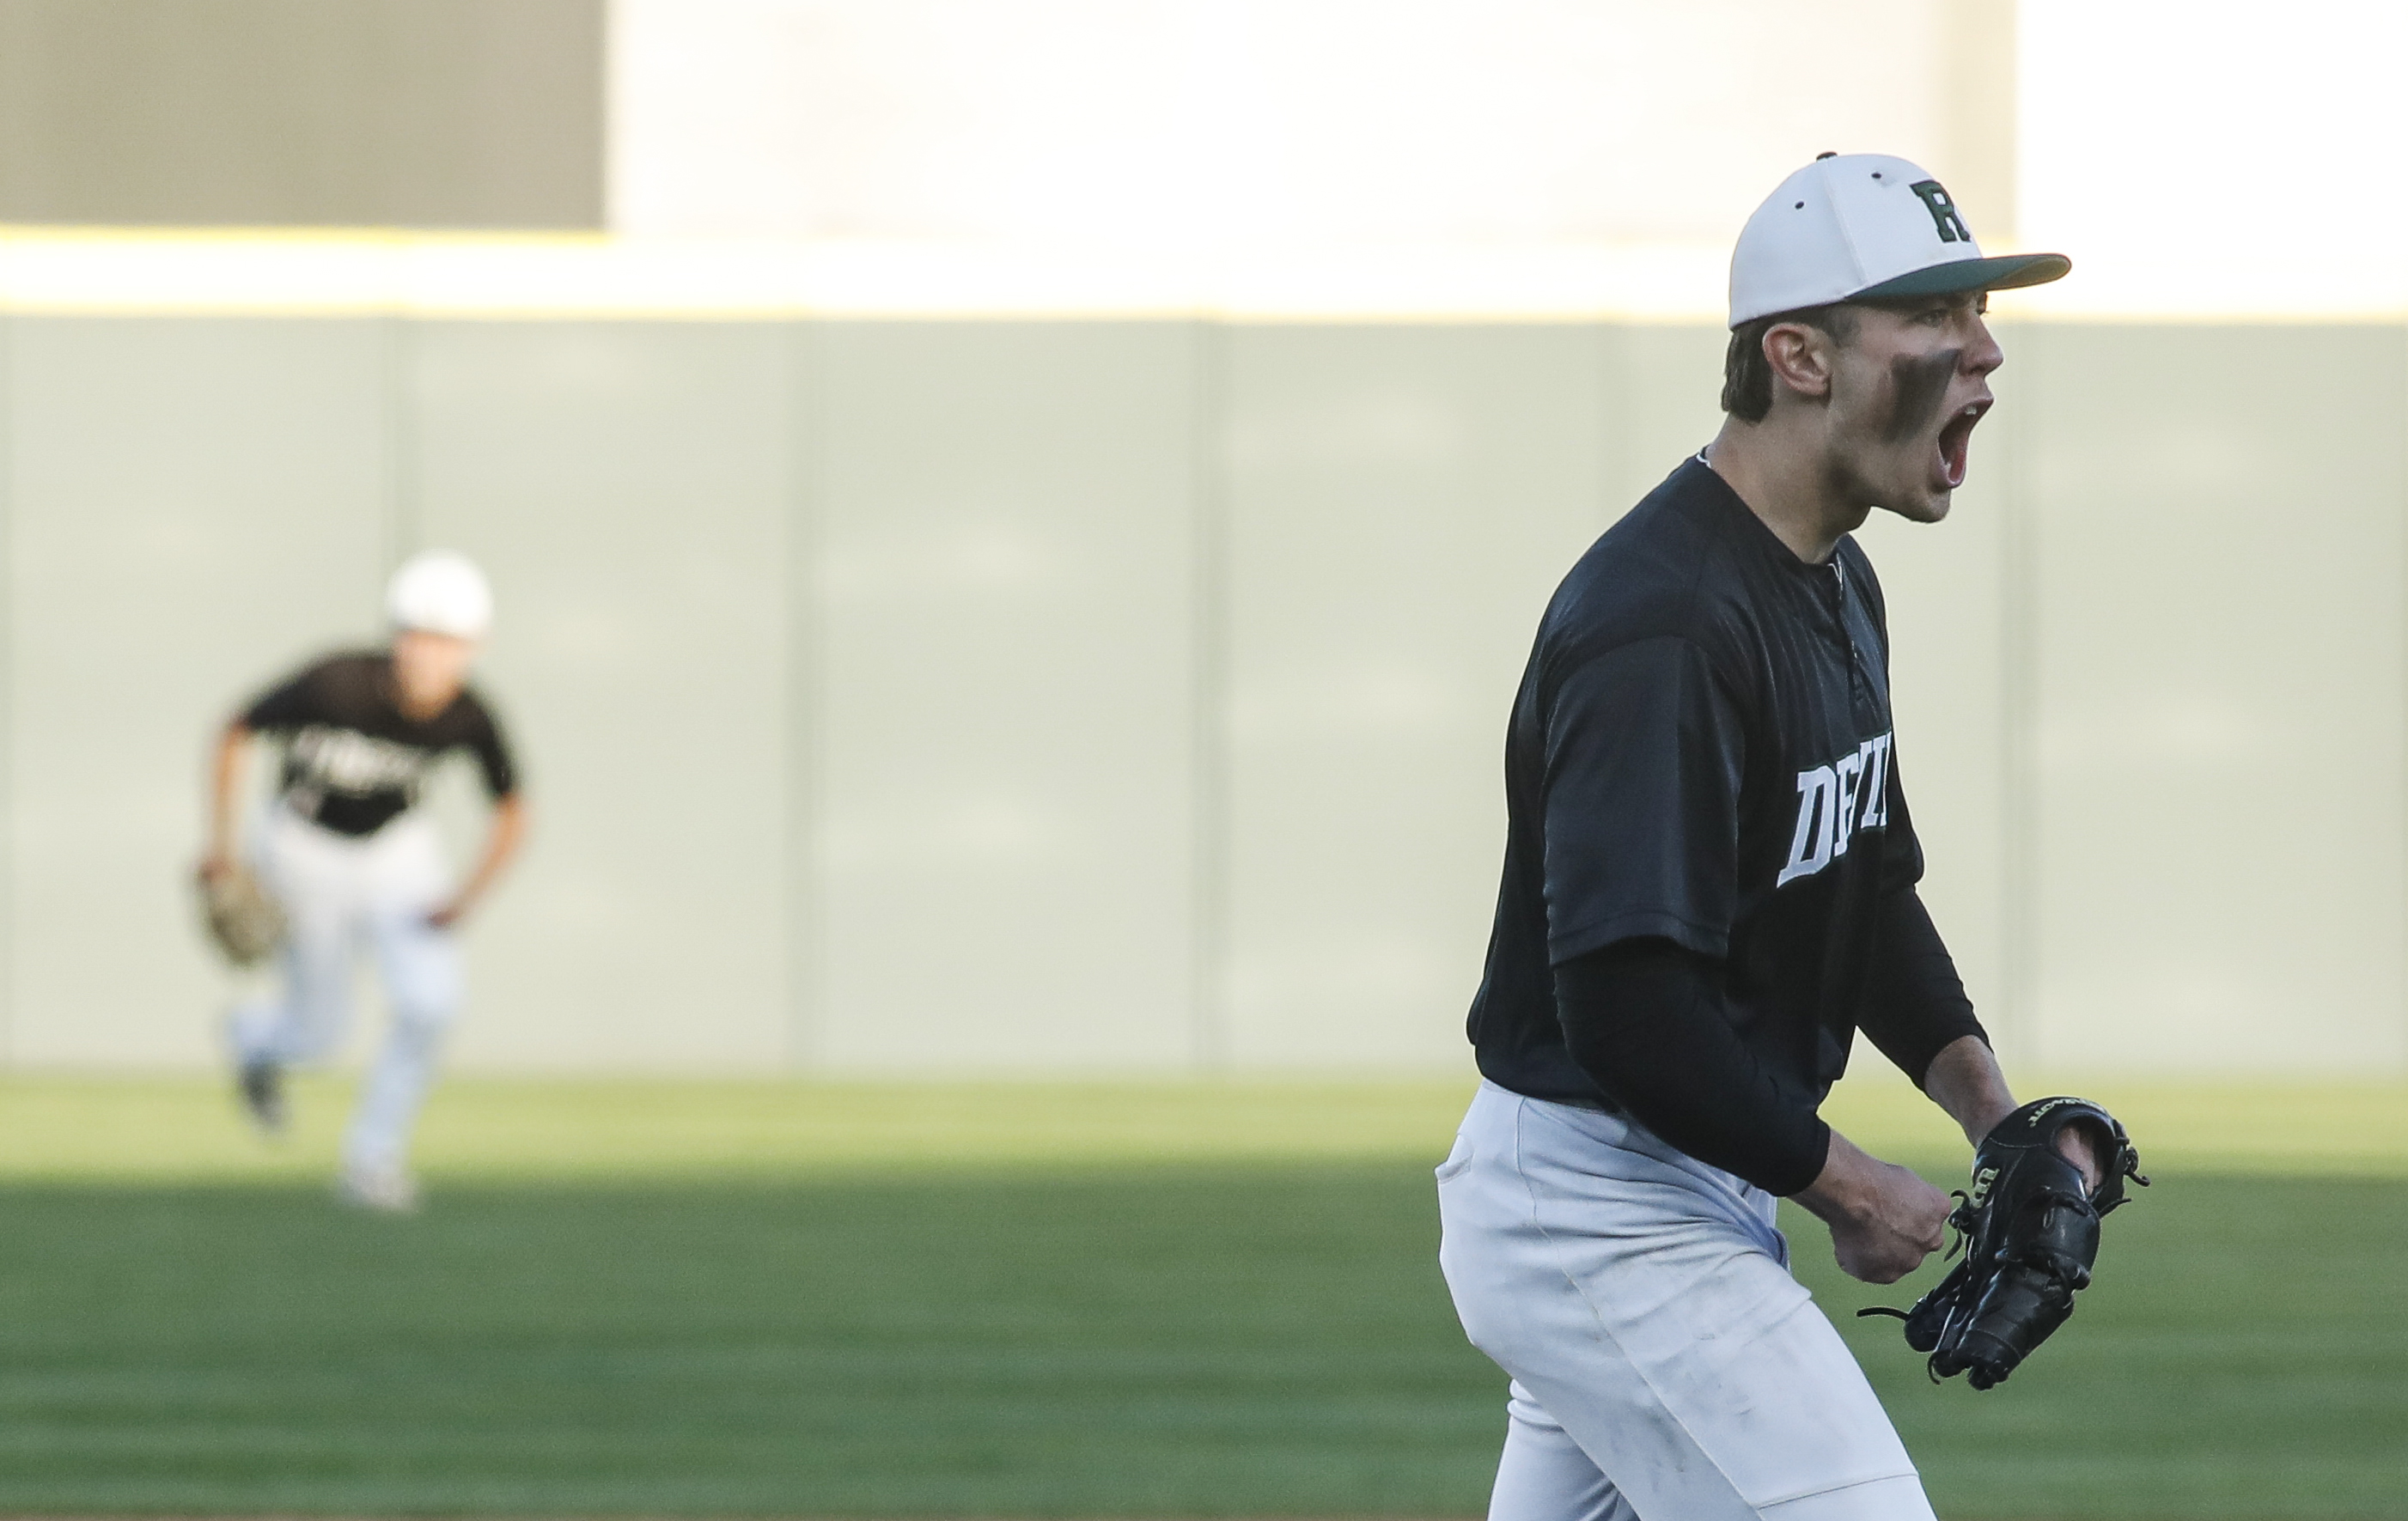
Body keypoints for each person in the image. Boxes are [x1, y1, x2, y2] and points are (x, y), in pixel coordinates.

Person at [1436, 154, 2101, 1520]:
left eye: (1980, 313)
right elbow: (1621, 1004)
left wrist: (1992, 1114)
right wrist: (1849, 1186)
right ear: (1796, 355)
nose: (1980, 352)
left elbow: (1858, 886)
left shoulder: (1831, 575)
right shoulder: (1666, 621)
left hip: (1675, 1174)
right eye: (1933, 318)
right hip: (1599, 1202)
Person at [199, 550, 527, 1212]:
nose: (431, 655)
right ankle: (254, 1037)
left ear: (475, 647)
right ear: (395, 635)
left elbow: (513, 805)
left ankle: (372, 1160)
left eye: (450, 642)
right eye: (419, 635)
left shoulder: (470, 714)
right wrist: (224, 848)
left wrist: (466, 896)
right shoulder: (336, 683)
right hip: (304, 848)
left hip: (396, 855)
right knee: (320, 1038)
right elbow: (236, 729)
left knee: (432, 1002)